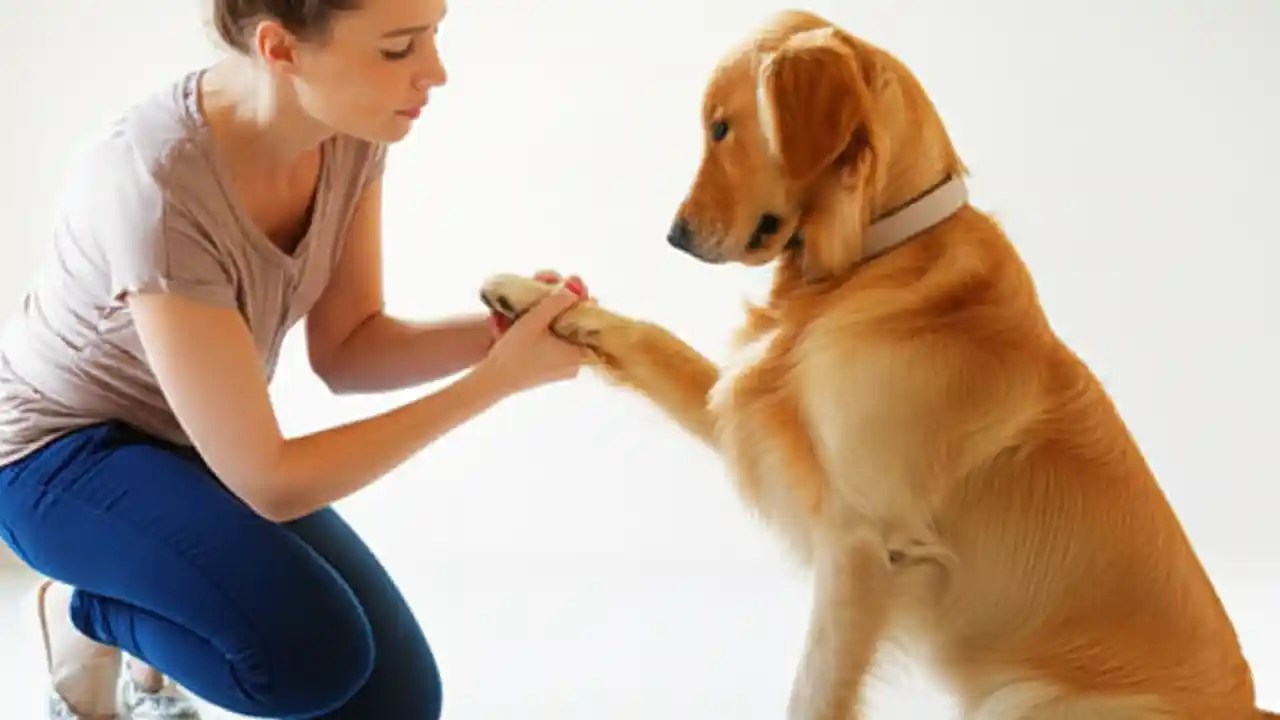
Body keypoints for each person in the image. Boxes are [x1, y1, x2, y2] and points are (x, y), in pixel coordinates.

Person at [0, 0, 590, 717]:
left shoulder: (348, 133)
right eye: (399, 49)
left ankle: (137, 589)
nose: (435, 72)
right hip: (55, 457)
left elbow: (350, 348)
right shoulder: (153, 183)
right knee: (304, 662)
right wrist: (496, 384)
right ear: (280, 48)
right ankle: (85, 614)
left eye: (435, 35)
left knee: (395, 703)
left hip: (193, 442)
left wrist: (499, 337)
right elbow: (271, 482)